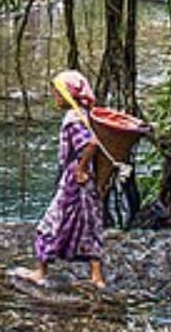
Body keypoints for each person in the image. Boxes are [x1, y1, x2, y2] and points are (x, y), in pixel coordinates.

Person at [16, 70, 106, 288]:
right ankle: (96, 276)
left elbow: (91, 143)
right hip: (86, 179)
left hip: (74, 178)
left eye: (57, 92)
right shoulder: (85, 113)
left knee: (51, 223)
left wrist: (80, 169)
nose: (54, 96)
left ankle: (41, 271)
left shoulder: (73, 119)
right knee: (90, 223)